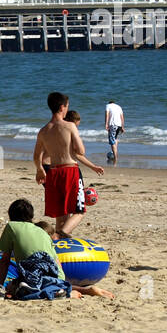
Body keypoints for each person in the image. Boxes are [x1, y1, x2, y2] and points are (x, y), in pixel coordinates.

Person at [0, 199, 112, 299]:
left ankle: (69, 293)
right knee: (49, 282)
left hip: (35, 275)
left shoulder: (12, 226)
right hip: (57, 275)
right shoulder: (41, 231)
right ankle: (83, 290)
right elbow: (57, 262)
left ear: (11, 215)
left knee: (13, 287)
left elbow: (5, 261)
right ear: (31, 216)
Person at [34, 92, 103, 236]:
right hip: (69, 170)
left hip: (53, 172)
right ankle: (60, 234)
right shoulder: (69, 126)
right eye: (67, 106)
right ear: (62, 107)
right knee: (80, 211)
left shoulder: (43, 131)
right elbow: (81, 150)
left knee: (62, 213)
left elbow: (36, 156)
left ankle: (58, 239)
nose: (67, 109)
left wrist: (40, 169)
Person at [104, 99, 124, 164]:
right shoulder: (119, 107)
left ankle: (115, 157)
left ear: (109, 103)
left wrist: (106, 124)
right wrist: (122, 127)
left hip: (113, 125)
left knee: (112, 141)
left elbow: (107, 114)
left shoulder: (108, 106)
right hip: (119, 125)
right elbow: (122, 117)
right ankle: (113, 153)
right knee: (115, 139)